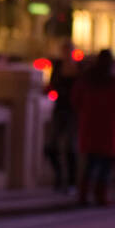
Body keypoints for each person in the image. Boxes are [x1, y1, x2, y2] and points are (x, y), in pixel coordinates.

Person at [73, 49, 115, 206]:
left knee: (90, 163)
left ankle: (84, 195)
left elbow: (76, 99)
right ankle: (103, 196)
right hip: (110, 128)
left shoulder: (88, 78)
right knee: (105, 165)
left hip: (90, 126)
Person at [44, 40, 80, 192]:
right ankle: (59, 177)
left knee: (71, 147)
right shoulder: (57, 67)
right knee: (51, 146)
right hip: (59, 110)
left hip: (73, 111)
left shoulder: (79, 69)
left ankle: (72, 181)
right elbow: (52, 86)